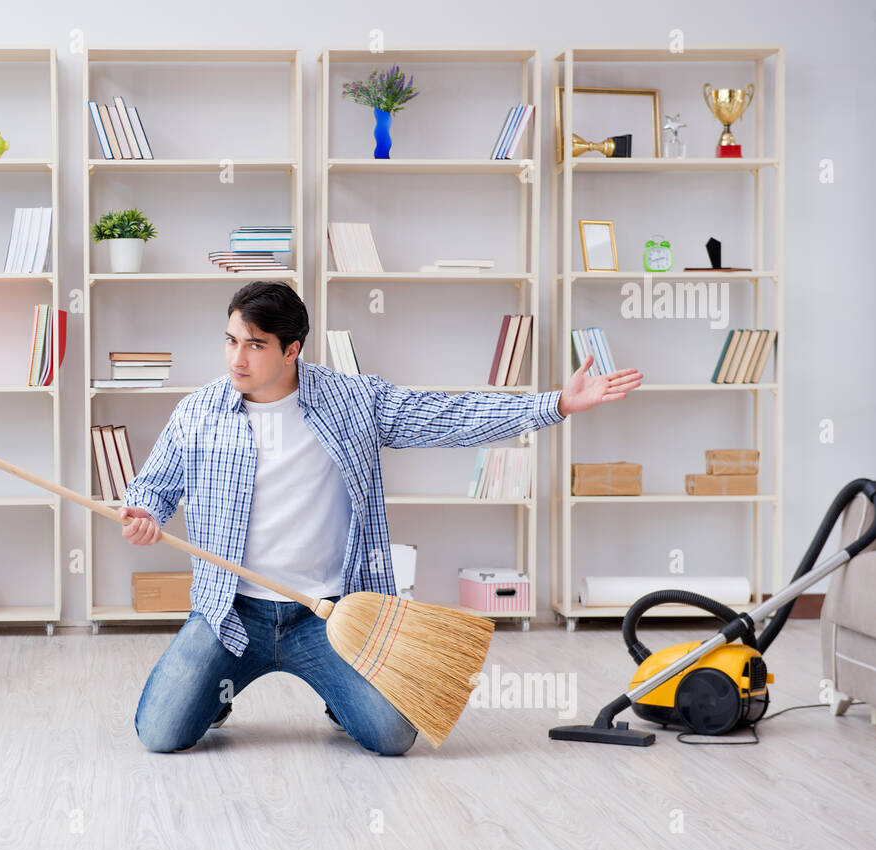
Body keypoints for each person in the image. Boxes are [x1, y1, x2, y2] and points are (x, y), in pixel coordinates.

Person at [119, 281, 642, 754]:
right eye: (231, 340)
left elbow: (449, 416)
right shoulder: (199, 411)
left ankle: (337, 692)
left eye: (255, 345)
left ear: (291, 350)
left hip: (330, 614)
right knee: (160, 734)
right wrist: (143, 513)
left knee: (392, 735)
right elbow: (153, 487)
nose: (237, 358)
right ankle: (218, 691)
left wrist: (556, 404)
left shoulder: (352, 401)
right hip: (232, 612)